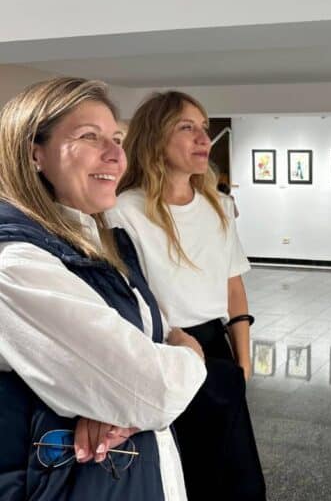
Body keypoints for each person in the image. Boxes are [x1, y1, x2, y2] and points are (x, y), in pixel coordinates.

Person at [0, 77, 207, 500]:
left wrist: (123, 401)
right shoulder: (15, 263)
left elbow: (157, 339)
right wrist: (190, 354)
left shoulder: (101, 240)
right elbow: (155, 390)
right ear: (34, 153)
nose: (115, 155)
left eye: (117, 138)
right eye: (89, 137)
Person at [109, 90, 266, 500]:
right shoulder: (124, 211)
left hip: (216, 347)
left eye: (204, 128)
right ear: (156, 139)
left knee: (237, 479)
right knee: (183, 475)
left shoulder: (219, 205)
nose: (203, 139)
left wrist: (244, 365)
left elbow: (233, 284)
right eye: (187, 128)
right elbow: (124, 300)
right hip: (162, 351)